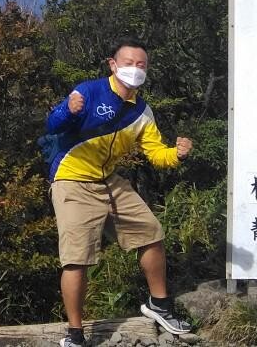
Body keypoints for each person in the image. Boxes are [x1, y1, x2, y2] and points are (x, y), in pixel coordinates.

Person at [45, 38, 194, 347]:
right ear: (112, 65)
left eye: (141, 65)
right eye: (128, 63)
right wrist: (68, 110)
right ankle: (75, 334)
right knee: (77, 258)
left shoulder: (141, 111)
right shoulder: (89, 91)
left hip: (107, 179)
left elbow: (155, 154)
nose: (135, 69)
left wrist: (177, 154)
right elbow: (52, 124)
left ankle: (159, 306)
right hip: (72, 179)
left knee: (151, 233)